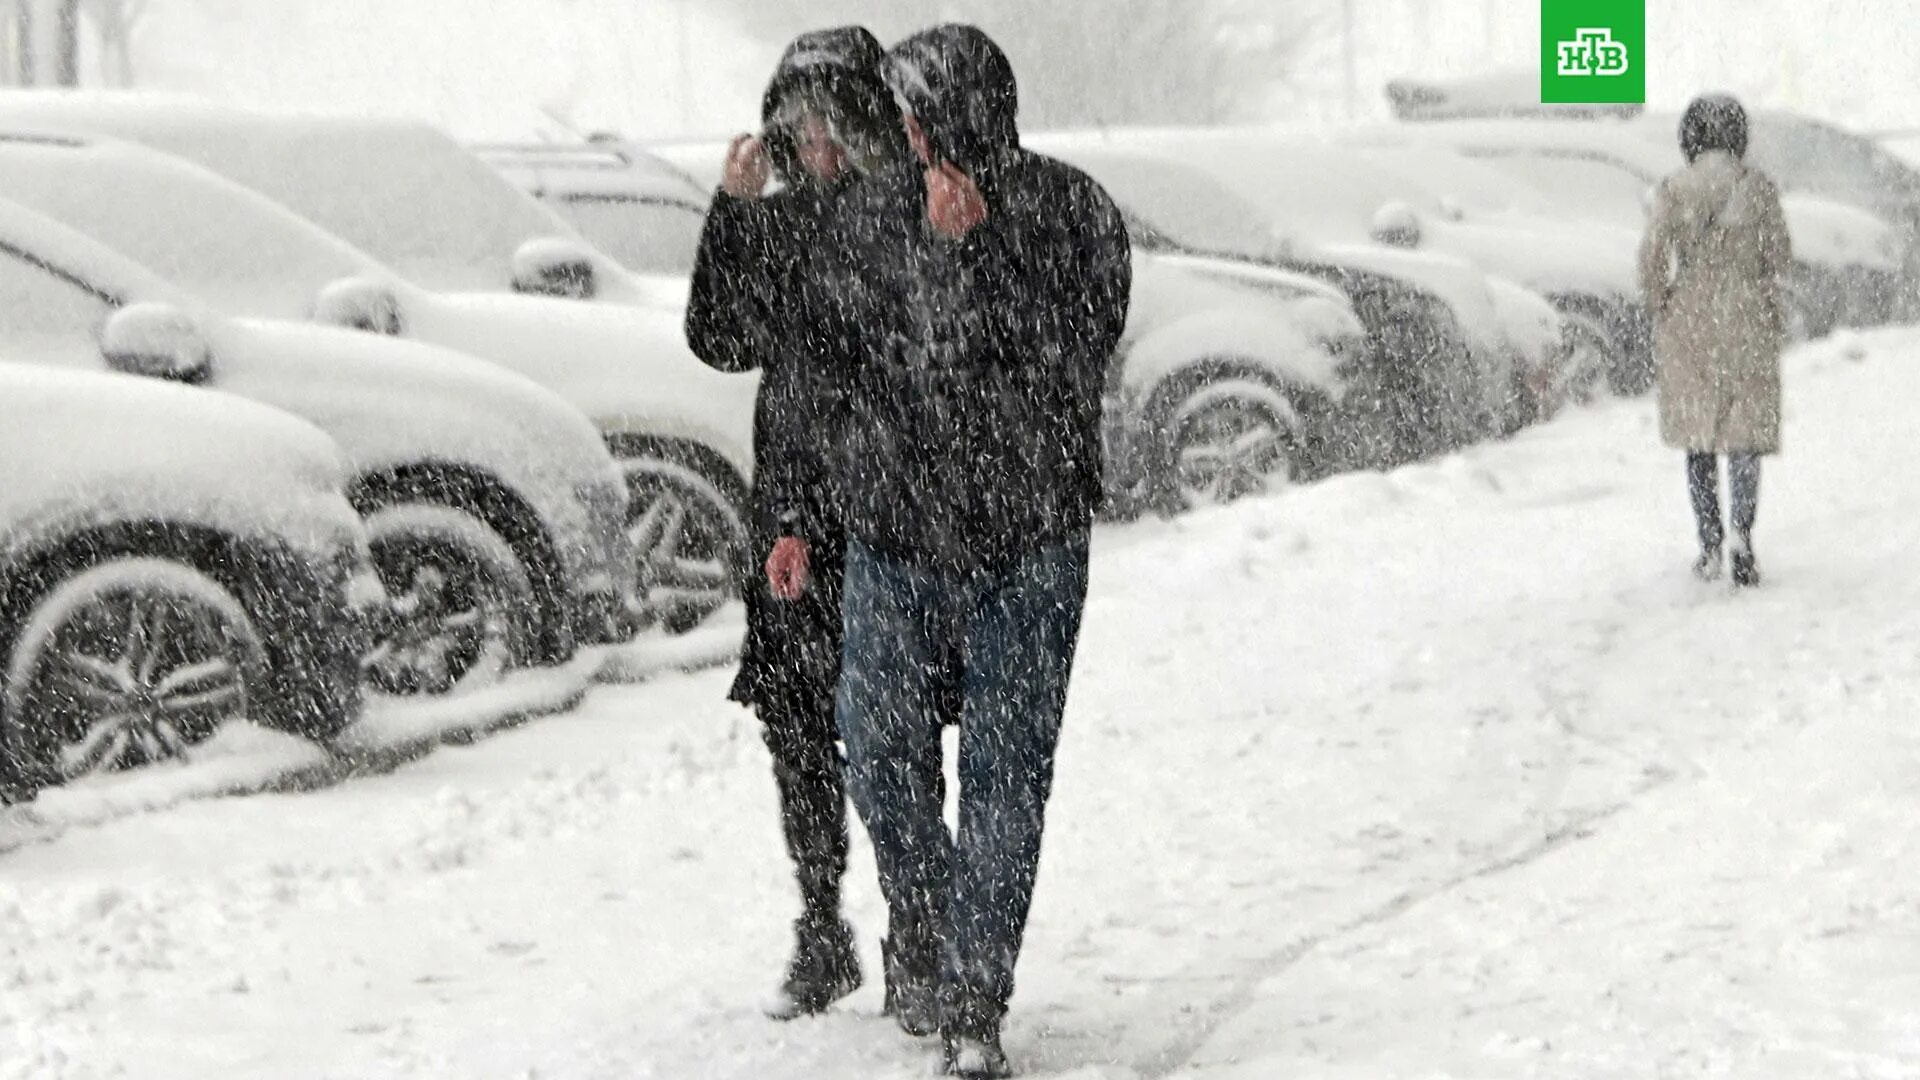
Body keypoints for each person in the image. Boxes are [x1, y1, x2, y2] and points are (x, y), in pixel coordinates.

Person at [791, 24, 1131, 1078]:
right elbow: (824, 372)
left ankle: (975, 1006)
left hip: (1027, 538)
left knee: (1005, 776)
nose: (896, 131)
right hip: (896, 536)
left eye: (910, 112)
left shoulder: (1070, 211)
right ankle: (931, 936)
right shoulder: (864, 216)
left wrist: (980, 253)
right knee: (879, 751)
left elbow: (1073, 364)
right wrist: (797, 514)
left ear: (954, 113)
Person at [682, 25, 909, 1021]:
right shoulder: (774, 225)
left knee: (898, 735)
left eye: (835, 126)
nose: (816, 148)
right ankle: (821, 929)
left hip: (892, 520)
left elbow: (886, 383)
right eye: (799, 130)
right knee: (801, 735)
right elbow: (722, 340)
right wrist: (730, 217)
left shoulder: (905, 217)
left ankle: (919, 932)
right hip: (792, 525)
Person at [1637, 93, 1791, 588]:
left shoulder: (1675, 188)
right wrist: (1764, 298)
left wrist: (1663, 303)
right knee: (1744, 435)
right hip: (1745, 313)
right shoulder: (1758, 188)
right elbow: (1779, 257)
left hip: (1692, 316)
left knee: (1698, 436)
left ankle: (1709, 544)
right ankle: (1743, 535)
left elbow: (1652, 258)